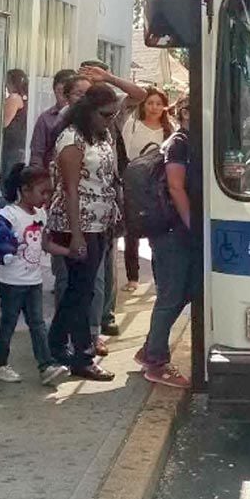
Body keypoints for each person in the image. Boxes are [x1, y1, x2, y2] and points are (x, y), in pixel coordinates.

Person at [46, 83, 122, 381]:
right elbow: (70, 190)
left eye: (113, 115)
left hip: (100, 222)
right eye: (105, 115)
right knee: (82, 290)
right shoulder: (71, 139)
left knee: (81, 289)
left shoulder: (101, 134)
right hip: (76, 223)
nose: (110, 120)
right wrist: (77, 234)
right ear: (89, 111)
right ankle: (81, 355)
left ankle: (57, 344)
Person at [135, 95, 196, 388]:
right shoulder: (179, 143)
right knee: (172, 295)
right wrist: (192, 226)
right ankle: (156, 361)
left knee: (182, 291)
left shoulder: (186, 140)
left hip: (175, 231)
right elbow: (175, 186)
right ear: (183, 113)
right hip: (172, 231)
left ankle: (150, 348)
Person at [0, 163, 69, 386]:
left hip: (33, 280)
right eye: (42, 192)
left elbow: (45, 244)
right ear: (25, 190)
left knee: (37, 323)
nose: (46, 197)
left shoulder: (40, 214)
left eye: (48, 192)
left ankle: (46, 366)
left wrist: (68, 252)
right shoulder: (10, 214)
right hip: (11, 282)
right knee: (9, 322)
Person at [120, 86, 175, 292]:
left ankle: (158, 276)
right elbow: (124, 153)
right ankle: (132, 277)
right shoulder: (132, 126)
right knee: (132, 230)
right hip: (135, 184)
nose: (154, 107)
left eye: (158, 104)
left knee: (157, 229)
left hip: (159, 187)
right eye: (150, 103)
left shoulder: (170, 130)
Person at [29, 68, 75, 170]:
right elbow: (37, 153)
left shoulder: (84, 119)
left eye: (69, 93)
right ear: (54, 91)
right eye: (61, 92)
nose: (65, 97)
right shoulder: (45, 119)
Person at [0, 69, 29, 177]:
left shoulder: (14, 98)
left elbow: (4, 122)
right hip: (19, 144)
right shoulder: (25, 98)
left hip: (10, 146)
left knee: (7, 177)